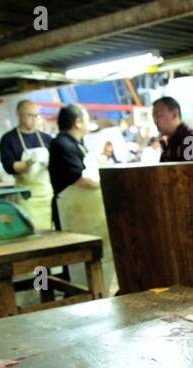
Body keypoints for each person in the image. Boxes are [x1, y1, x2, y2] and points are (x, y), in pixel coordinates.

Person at [48, 104, 119, 295]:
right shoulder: (62, 144)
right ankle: (78, 295)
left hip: (88, 218)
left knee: (96, 258)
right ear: (78, 122)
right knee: (76, 261)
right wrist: (106, 181)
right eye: (87, 119)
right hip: (73, 215)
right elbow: (81, 180)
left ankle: (97, 294)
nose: (89, 123)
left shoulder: (77, 143)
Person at [0, 99, 55, 231]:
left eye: (36, 116)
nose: (33, 119)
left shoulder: (46, 138)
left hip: (48, 194)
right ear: (18, 114)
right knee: (32, 231)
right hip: (27, 197)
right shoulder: (9, 139)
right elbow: (9, 167)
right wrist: (28, 164)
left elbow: (57, 164)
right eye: (29, 115)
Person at [151, 97, 193, 163]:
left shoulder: (190, 142)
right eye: (154, 118)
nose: (155, 121)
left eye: (158, 116)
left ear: (174, 114)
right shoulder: (172, 143)